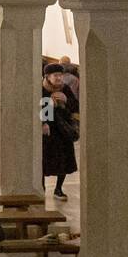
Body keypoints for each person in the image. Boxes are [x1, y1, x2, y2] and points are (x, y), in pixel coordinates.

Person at [42, 63, 79, 199]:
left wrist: (66, 100)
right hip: (49, 131)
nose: (59, 78)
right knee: (44, 160)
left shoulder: (65, 89)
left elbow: (75, 107)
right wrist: (43, 123)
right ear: (48, 76)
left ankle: (58, 189)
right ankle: (42, 188)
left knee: (64, 160)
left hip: (63, 130)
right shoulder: (42, 89)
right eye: (56, 75)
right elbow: (39, 108)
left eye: (60, 75)